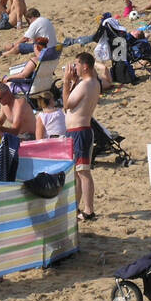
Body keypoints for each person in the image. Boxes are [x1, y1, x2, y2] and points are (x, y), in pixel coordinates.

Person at [61, 53, 100, 221]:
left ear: (85, 66)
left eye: (76, 64)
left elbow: (67, 104)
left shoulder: (86, 85)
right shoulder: (90, 83)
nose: (74, 67)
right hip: (77, 131)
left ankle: (89, 210)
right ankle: (76, 208)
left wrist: (65, 82)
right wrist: (73, 81)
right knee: (77, 173)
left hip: (80, 131)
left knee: (83, 172)